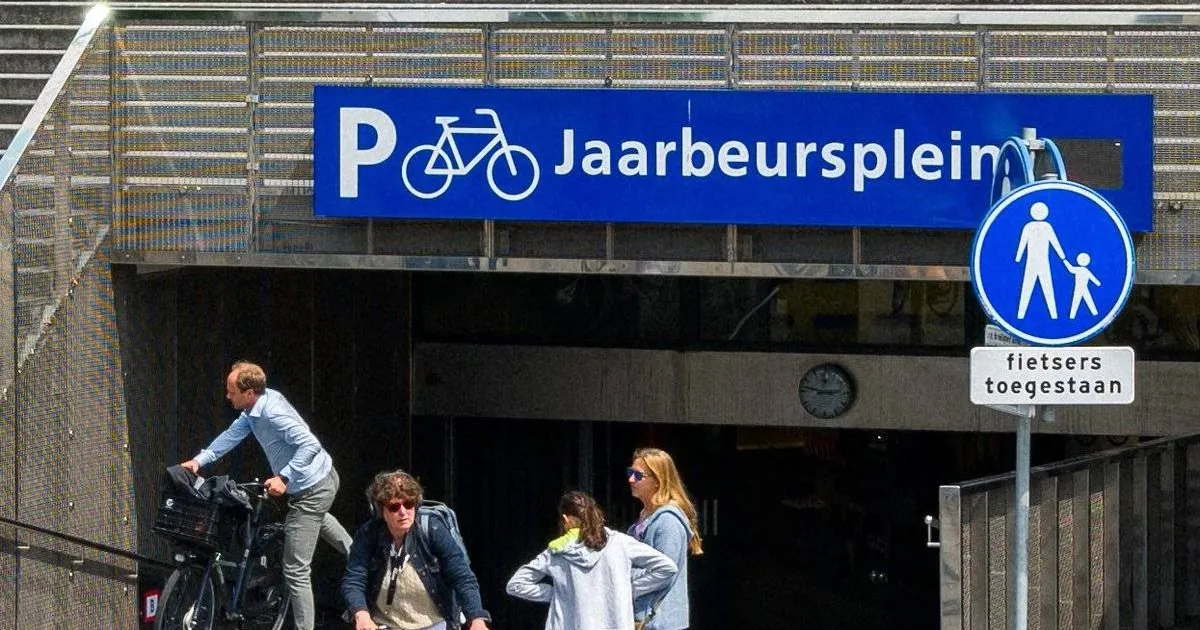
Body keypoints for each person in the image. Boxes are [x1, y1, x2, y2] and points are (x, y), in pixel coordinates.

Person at [180, 360, 353, 630]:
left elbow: (311, 444)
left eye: (231, 391)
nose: (227, 396)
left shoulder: (272, 413)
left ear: (249, 393)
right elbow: (231, 435)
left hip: (314, 487)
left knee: (295, 568)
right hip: (313, 485)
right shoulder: (253, 409)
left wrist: (284, 477)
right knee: (316, 520)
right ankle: (361, 557)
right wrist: (199, 461)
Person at [342, 470, 491, 630]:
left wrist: (476, 619)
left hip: (434, 625)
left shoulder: (432, 529)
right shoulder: (368, 534)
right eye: (394, 507)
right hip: (384, 624)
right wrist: (362, 615)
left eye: (408, 504)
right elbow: (354, 580)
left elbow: (462, 577)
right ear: (381, 511)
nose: (403, 512)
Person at [506, 490, 677, 630]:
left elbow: (516, 585)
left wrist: (556, 593)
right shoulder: (620, 543)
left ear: (565, 520)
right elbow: (667, 568)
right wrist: (630, 588)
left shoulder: (556, 553)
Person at [626, 448, 704, 630]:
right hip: (644, 621)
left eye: (638, 475)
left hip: (660, 623)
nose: (631, 479)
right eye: (630, 473)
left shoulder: (668, 522)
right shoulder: (644, 520)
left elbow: (665, 572)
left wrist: (624, 579)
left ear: (657, 480)